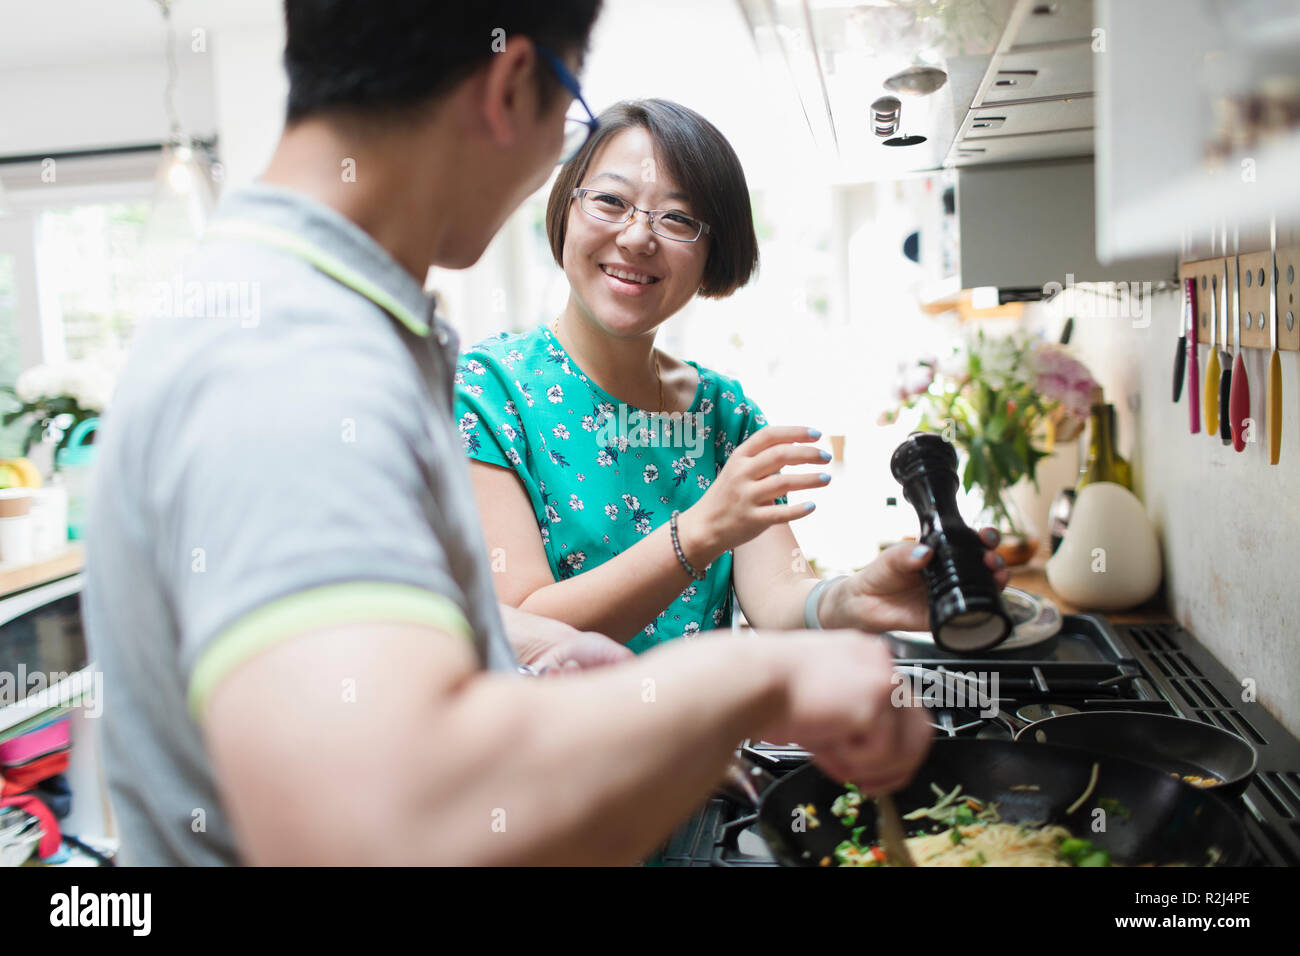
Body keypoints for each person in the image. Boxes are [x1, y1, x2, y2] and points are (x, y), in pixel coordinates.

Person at [82, 0, 933, 866]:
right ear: (512, 83)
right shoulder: (295, 354)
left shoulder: (320, 322)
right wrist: (757, 678)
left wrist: (556, 662)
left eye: (678, 219)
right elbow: (381, 823)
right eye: (569, 113)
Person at [455, 99, 1011, 649]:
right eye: (609, 201)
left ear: (712, 255)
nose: (637, 237)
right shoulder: (487, 392)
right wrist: (697, 533)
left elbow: (779, 595)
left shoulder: (722, 412)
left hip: (709, 738)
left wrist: (856, 597)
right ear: (566, 210)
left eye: (677, 218)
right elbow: (523, 632)